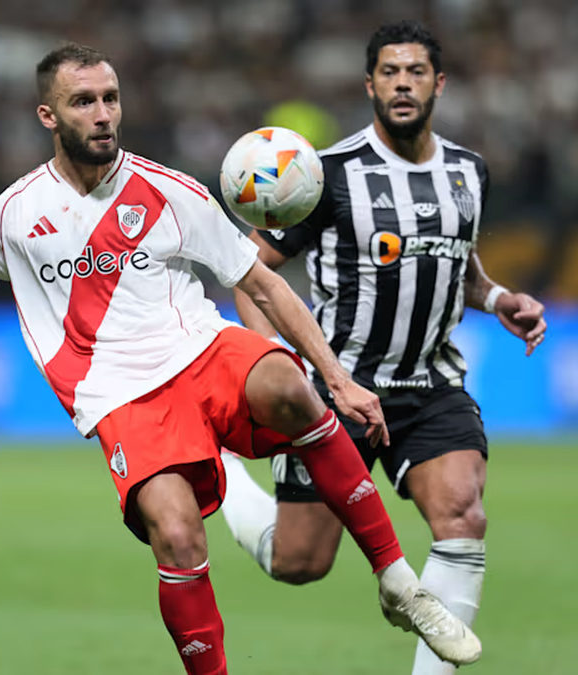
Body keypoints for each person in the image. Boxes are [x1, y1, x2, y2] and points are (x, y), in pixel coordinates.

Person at [0, 43, 480, 675]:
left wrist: (337, 379)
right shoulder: (10, 216)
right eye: (83, 102)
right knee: (176, 535)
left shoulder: (170, 190)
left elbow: (262, 283)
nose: (103, 113)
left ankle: (398, 583)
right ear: (48, 116)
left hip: (200, 350)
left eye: (110, 98)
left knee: (288, 383)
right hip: (121, 397)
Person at [219, 21, 548, 675]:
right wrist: (270, 362)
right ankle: (228, 474)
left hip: (432, 384)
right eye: (391, 72)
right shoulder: (327, 176)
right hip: (340, 389)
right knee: (300, 563)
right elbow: (251, 273)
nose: (403, 83)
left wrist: (500, 298)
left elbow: (461, 266)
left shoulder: (468, 172)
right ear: (370, 84)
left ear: (439, 83)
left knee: (462, 513)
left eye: (417, 71)